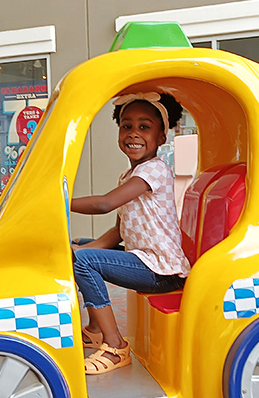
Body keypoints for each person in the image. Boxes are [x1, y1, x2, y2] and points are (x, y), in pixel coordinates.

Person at [70, 91, 191, 375]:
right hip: (142, 259)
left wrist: (57, 202)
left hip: (161, 270)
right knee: (80, 249)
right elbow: (117, 231)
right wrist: (79, 248)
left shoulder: (155, 170)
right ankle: (97, 329)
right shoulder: (128, 176)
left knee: (85, 261)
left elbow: (104, 203)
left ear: (162, 137)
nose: (133, 133)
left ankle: (115, 346)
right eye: (127, 126)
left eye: (144, 127)